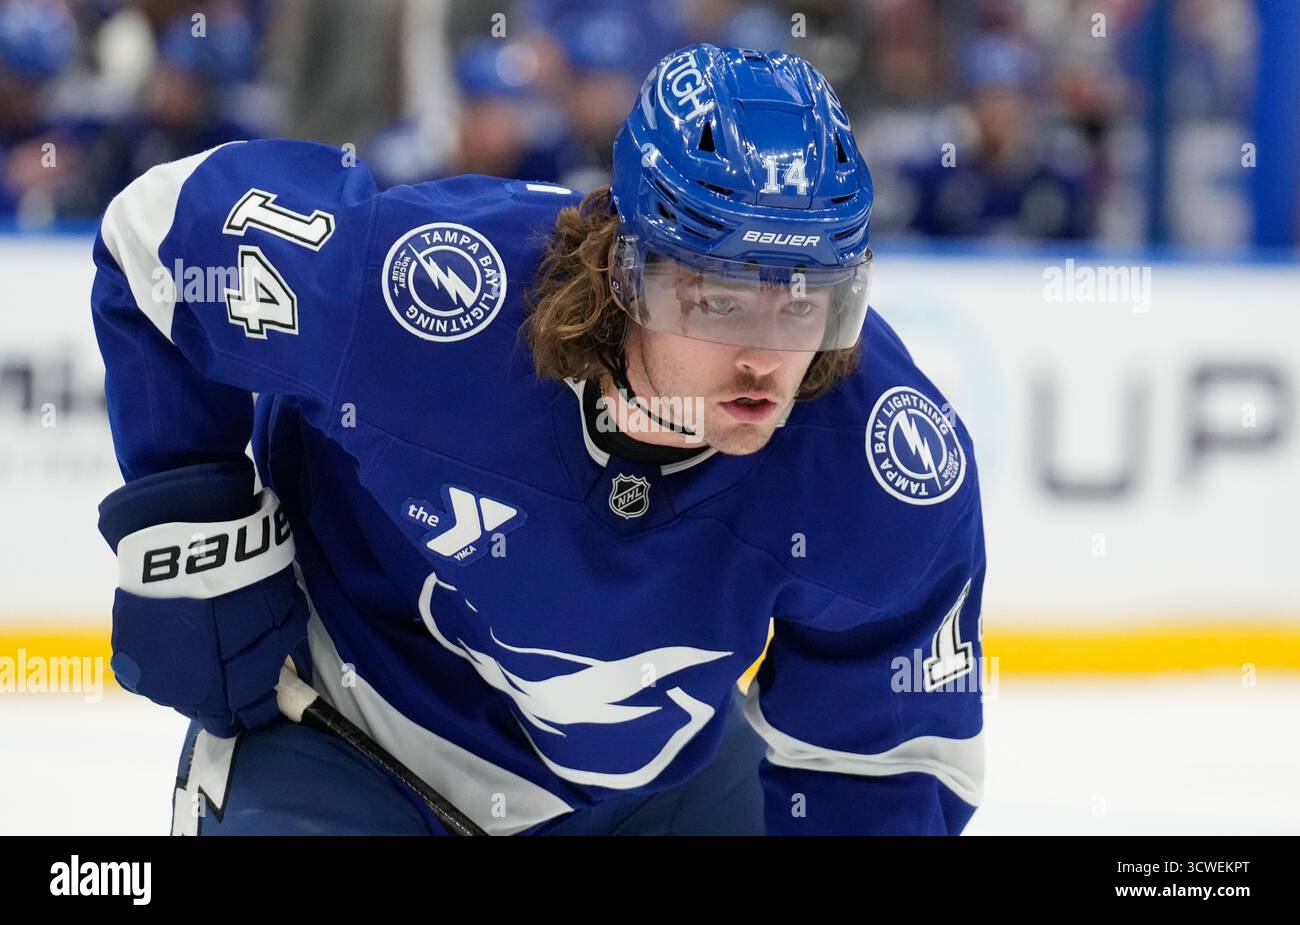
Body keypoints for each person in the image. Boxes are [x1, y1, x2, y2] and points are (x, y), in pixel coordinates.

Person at [90, 43, 987, 835]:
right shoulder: (425, 297)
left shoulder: (888, 462)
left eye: (804, 302)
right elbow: (152, 235)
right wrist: (191, 522)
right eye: (719, 299)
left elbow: (884, 765)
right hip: (349, 734)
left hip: (650, 793)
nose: (765, 361)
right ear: (628, 271)